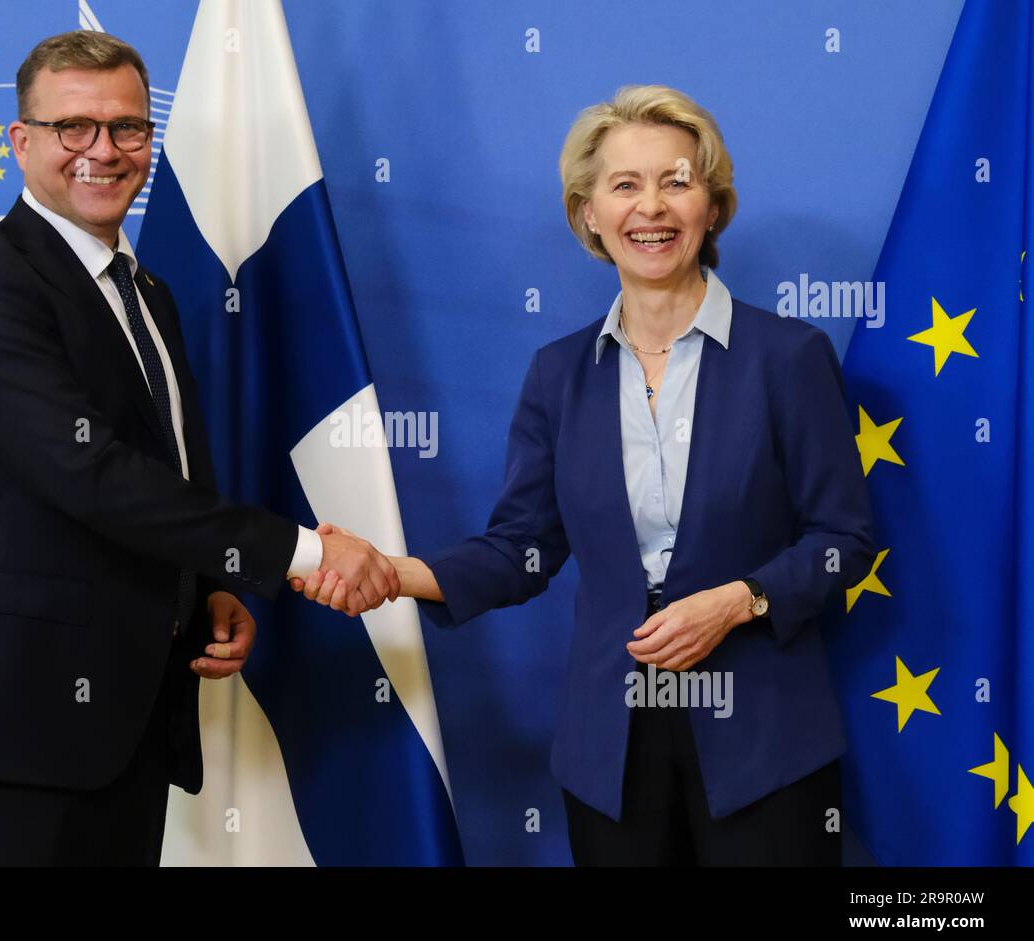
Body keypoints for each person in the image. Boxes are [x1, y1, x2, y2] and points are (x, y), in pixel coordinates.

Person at [294, 85, 876, 866]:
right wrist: (392, 572)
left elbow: (844, 539)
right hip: (612, 748)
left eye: (677, 180)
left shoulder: (789, 357)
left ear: (712, 205)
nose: (653, 207)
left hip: (765, 740)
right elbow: (520, 549)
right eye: (624, 185)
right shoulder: (559, 375)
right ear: (588, 215)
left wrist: (741, 600)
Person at [0, 30, 398, 866]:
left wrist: (207, 586)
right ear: (21, 142)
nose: (102, 152)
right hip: (15, 723)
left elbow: (161, 464)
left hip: (127, 721)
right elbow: (89, 475)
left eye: (126, 128)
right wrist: (302, 552)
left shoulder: (145, 288)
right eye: (72, 129)